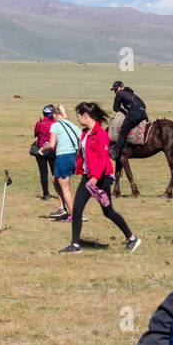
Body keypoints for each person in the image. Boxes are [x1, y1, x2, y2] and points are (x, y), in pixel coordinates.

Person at [59, 102, 140, 254]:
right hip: (88, 178)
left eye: (78, 116)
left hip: (101, 179)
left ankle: (132, 238)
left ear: (85, 115)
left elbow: (104, 159)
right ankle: (75, 245)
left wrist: (95, 178)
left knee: (108, 211)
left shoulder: (101, 134)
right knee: (77, 209)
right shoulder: (85, 133)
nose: (77, 119)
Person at [47, 105, 82, 221]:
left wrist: (42, 149)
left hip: (62, 157)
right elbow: (82, 139)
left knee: (65, 187)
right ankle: (63, 208)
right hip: (73, 156)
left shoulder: (55, 126)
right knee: (55, 179)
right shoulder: (73, 125)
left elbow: (52, 145)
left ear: (56, 115)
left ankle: (73, 215)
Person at [109, 80, 148, 161]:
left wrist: (123, 111)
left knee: (124, 129)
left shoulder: (120, 93)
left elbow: (115, 108)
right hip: (143, 110)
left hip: (135, 111)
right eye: (114, 89)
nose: (116, 91)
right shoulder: (129, 92)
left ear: (122, 87)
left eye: (116, 88)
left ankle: (116, 151)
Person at [32, 106, 57, 200]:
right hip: (52, 151)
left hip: (41, 151)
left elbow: (36, 134)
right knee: (55, 173)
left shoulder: (39, 123)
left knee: (43, 173)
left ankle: (46, 194)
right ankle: (60, 193)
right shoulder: (55, 124)